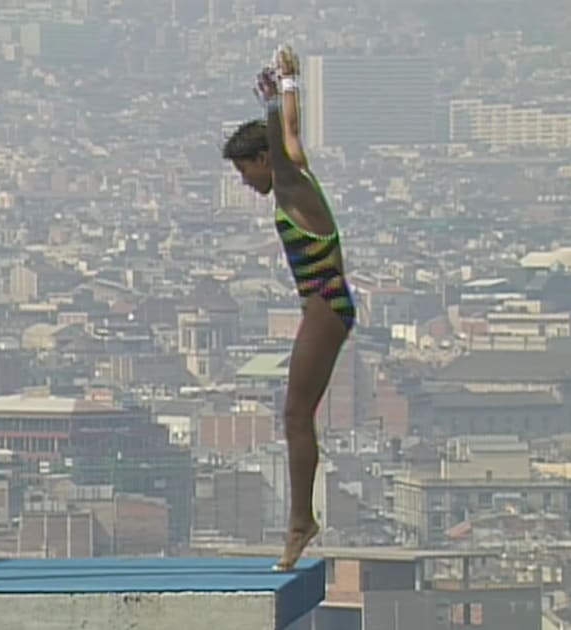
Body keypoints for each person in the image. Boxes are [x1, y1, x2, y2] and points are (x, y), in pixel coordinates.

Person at [222, 45, 355, 571]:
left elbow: (282, 145)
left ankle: (301, 522)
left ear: (261, 161)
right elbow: (293, 139)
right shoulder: (297, 169)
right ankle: (302, 520)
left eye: (244, 172)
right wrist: (292, 84)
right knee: (297, 414)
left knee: (297, 415)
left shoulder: (289, 183)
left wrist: (274, 101)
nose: (246, 183)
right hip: (325, 305)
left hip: (324, 304)